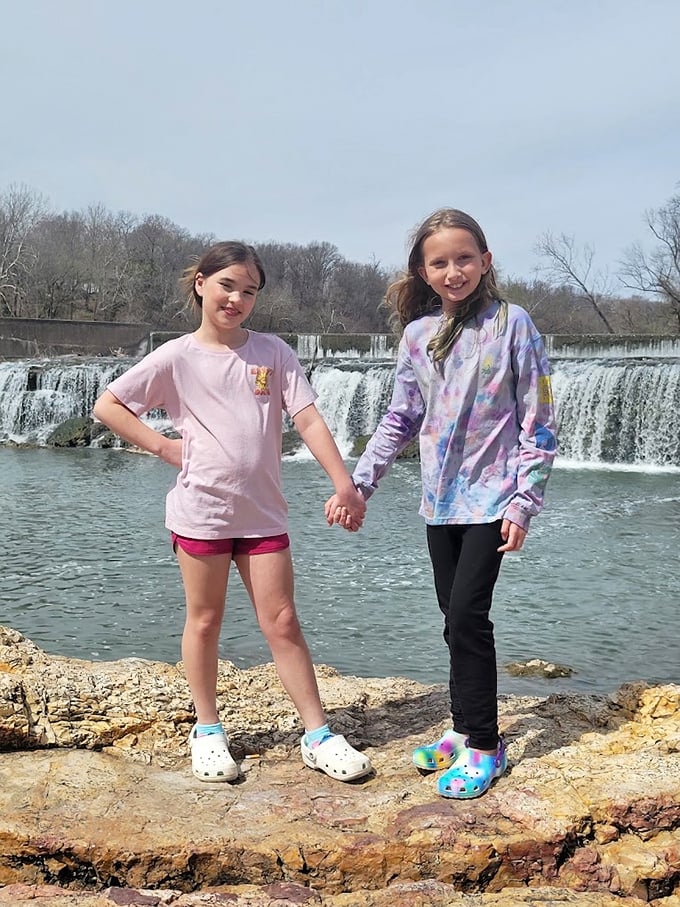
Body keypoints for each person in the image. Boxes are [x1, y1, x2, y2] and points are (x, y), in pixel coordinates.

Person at [93, 240, 371, 784]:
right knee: (205, 621)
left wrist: (345, 485)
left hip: (264, 514)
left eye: (249, 291)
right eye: (227, 286)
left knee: (284, 621)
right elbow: (109, 404)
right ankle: (207, 730)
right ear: (201, 283)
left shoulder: (273, 353)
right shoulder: (176, 356)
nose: (236, 299)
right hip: (202, 513)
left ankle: (317, 735)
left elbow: (309, 420)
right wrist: (164, 447)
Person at [326, 209, 556, 799]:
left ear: (485, 261)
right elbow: (401, 417)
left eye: (464, 258)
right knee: (452, 622)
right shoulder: (417, 336)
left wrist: (523, 502)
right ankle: (460, 725)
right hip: (439, 502)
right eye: (440, 262)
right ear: (423, 272)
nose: (453, 271)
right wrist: (361, 484)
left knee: (469, 619)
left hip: (494, 499)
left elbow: (538, 420)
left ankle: (484, 744)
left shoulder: (513, 324)